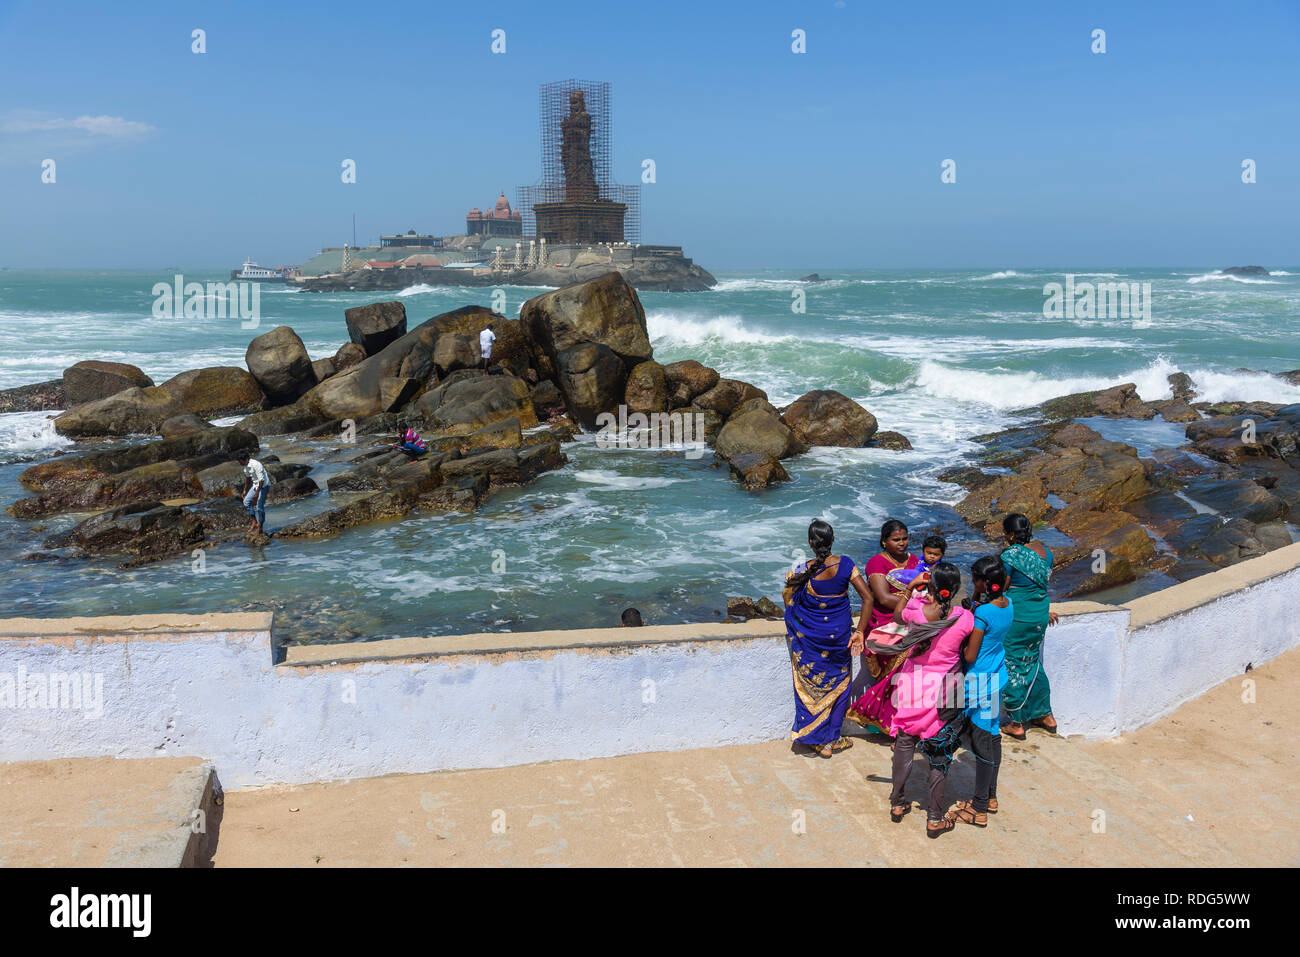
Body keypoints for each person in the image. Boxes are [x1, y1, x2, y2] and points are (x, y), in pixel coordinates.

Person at [879, 562, 974, 837]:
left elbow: (896, 615)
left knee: (904, 743)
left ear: (930, 587)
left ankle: (897, 803)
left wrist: (909, 588)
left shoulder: (917, 613)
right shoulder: (964, 617)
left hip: (913, 682)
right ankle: (934, 818)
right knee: (940, 753)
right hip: (948, 688)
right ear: (954, 589)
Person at [784, 519, 873, 758]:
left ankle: (815, 740)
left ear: (811, 543)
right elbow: (868, 599)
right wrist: (860, 631)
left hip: (812, 639)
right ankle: (830, 741)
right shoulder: (846, 564)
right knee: (841, 685)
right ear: (832, 540)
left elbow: (788, 595)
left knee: (811, 685)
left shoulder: (804, 569)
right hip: (840, 637)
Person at [946, 555, 1012, 828]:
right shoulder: (1008, 604)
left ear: (986, 583)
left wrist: (955, 646)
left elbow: (971, 654)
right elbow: (979, 608)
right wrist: (978, 593)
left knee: (982, 743)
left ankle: (979, 807)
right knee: (993, 737)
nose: (972, 583)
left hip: (979, 684)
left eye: (975, 580)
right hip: (997, 678)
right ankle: (991, 796)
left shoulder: (983, 614)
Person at [999, 513, 1060, 739]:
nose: (1005, 537)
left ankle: (1016, 722)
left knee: (1012, 664)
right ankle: (1046, 715)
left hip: (1018, 616)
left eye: (1005, 533)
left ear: (1012, 534)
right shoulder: (1047, 553)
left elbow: (1002, 588)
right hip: (1040, 615)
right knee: (1033, 662)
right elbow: (1040, 586)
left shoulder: (1010, 555)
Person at [237, 451, 273, 536]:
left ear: (245, 459)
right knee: (246, 502)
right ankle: (254, 522)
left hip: (263, 486)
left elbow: (262, 480)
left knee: (259, 507)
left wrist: (257, 494)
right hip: (256, 485)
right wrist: (245, 490)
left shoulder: (256, 465)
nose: (239, 463)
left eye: (240, 461)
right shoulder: (246, 466)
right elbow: (248, 478)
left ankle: (260, 529)